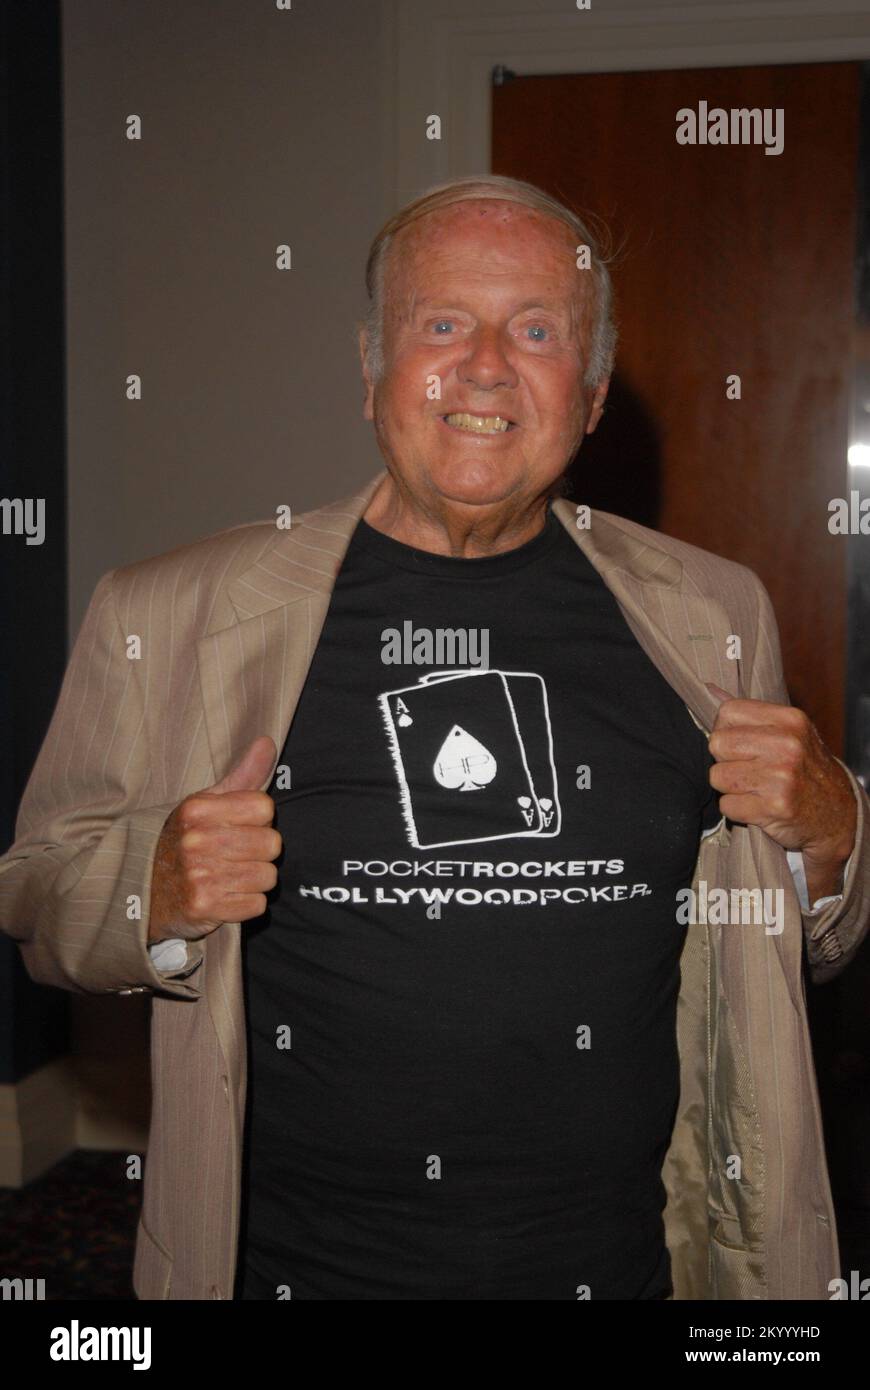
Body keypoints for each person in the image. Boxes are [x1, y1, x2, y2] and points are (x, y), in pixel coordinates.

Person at [0, 175, 866, 1301]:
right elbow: (36, 896)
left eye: (540, 330)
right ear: (372, 366)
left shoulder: (715, 612)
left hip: (622, 1268)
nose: (488, 365)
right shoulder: (168, 614)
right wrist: (152, 886)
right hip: (290, 1274)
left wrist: (837, 837)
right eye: (444, 322)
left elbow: (797, 947)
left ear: (594, 391)